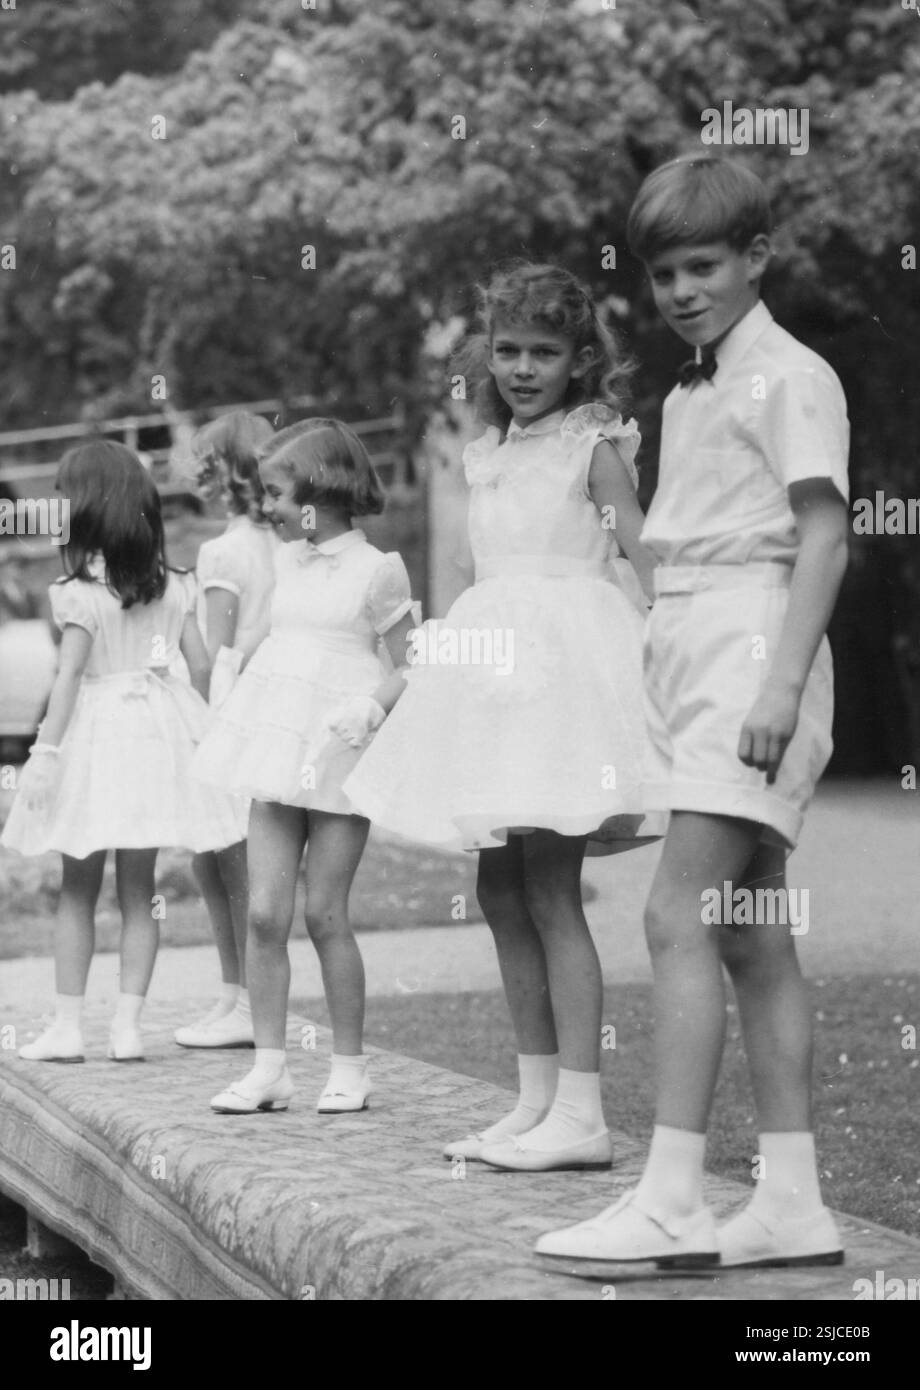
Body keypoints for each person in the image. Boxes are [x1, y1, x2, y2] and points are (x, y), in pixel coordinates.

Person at [537, 156, 849, 1271]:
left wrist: (774, 684)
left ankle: (669, 1198)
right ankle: (791, 1201)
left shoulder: (786, 375)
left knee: (676, 916)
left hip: (752, 649)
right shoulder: (687, 389)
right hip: (695, 646)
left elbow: (822, 531)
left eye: (702, 265)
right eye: (663, 270)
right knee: (749, 934)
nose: (678, 289)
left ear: (756, 257)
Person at [343, 262, 661, 1172]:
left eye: (546, 352)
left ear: (579, 357)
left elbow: (638, 549)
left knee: (551, 889)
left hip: (564, 668)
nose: (524, 367)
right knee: (497, 889)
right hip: (490, 667)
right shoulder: (489, 448)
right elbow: (488, 575)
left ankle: (584, 1113)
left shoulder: (591, 443)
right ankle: (534, 1100)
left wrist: (667, 647)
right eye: (510, 349)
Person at [192, 418, 417, 1115]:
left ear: (321, 491)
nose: (271, 507)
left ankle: (348, 1066)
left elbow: (414, 660)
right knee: (263, 912)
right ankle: (269, 1067)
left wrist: (373, 708)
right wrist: (227, 670)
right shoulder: (286, 561)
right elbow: (268, 637)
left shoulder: (378, 569)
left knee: (325, 912)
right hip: (275, 741)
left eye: (281, 493)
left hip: (339, 744)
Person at [1, 442, 243, 1062]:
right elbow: (200, 666)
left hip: (93, 741)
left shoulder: (77, 593)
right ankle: (128, 1028)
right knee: (141, 893)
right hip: (153, 739)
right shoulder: (177, 586)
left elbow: (68, 679)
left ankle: (67, 1026)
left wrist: (44, 753)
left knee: (77, 888)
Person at [172, 411, 280, 1051]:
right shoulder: (285, 543)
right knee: (227, 859)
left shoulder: (222, 551)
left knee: (222, 858)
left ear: (223, 474)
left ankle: (241, 999)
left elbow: (214, 655)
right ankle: (235, 996)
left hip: (230, 710)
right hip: (270, 705)